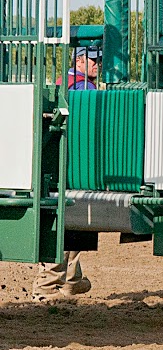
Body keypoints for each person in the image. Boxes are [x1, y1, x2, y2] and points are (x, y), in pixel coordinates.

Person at [37, 49, 100, 301]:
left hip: (60, 161)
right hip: (73, 163)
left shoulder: (64, 81)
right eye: (94, 60)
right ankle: (45, 286)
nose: (98, 64)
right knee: (67, 220)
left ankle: (72, 279)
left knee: (74, 219)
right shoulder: (84, 87)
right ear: (79, 60)